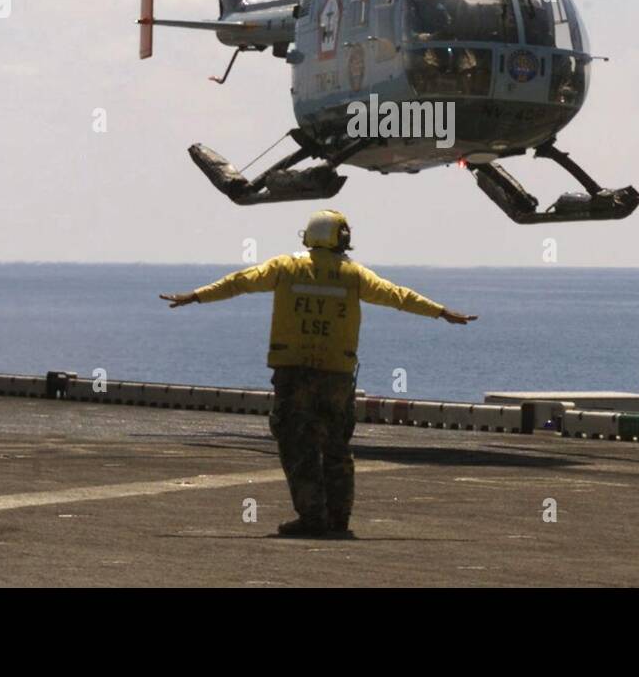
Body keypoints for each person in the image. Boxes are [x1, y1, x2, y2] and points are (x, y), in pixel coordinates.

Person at [160, 209, 475, 538]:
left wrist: (196, 296)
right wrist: (440, 312)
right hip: (336, 375)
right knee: (337, 446)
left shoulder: (286, 268)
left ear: (309, 236)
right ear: (343, 238)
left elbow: (240, 282)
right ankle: (339, 519)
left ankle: (312, 517)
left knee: (298, 445)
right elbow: (398, 296)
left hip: (294, 373)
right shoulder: (354, 275)